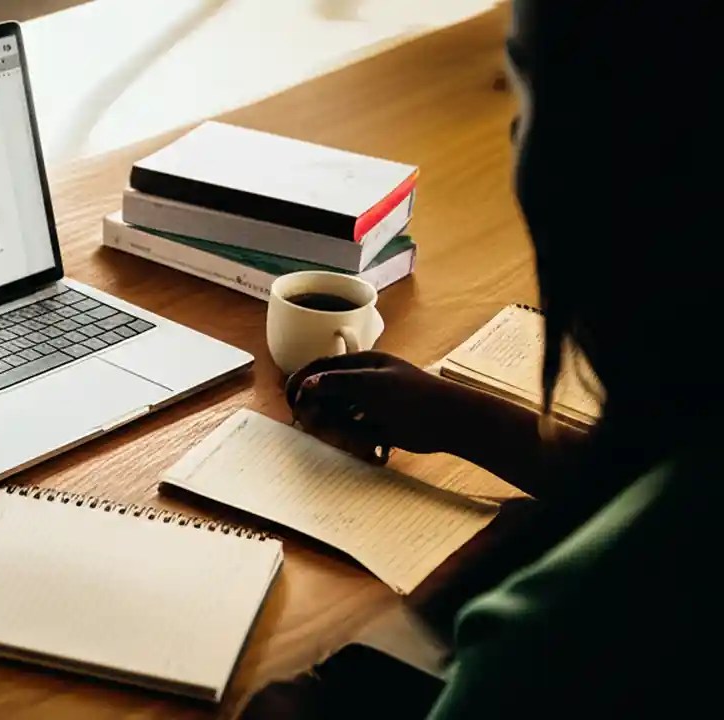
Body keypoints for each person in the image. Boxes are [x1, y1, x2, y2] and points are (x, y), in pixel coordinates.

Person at [244, 2, 719, 717]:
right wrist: (467, 422)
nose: (514, 131)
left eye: (530, 91)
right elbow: (654, 477)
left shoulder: (553, 639)